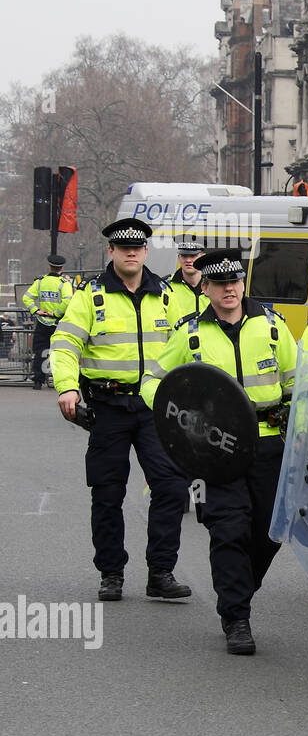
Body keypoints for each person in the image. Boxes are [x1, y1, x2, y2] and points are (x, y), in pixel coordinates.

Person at [141, 250, 296, 655]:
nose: (229, 289)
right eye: (220, 284)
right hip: (214, 451)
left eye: (235, 282)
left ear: (243, 284)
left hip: (267, 443)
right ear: (205, 287)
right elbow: (153, 383)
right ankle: (237, 616)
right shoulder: (189, 334)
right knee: (228, 529)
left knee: (268, 532)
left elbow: (299, 383)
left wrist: (295, 412)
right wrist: (183, 426)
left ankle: (239, 589)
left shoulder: (274, 328)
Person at [51, 219, 191, 603]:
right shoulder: (90, 296)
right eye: (123, 247)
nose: (131, 252)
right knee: (107, 492)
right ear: (111, 251)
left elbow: (192, 346)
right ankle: (111, 573)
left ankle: (160, 572)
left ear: (146, 252)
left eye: (138, 247)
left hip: (155, 408)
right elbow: (64, 343)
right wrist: (66, 386)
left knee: (172, 487)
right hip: (108, 407)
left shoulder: (167, 295)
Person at [22, 254, 74, 390]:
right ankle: (56, 380)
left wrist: (36, 310)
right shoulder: (64, 284)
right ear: (61, 268)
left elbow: (26, 298)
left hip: (42, 322)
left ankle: (38, 380)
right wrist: (56, 313)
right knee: (59, 352)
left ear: (49, 266)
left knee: (40, 352)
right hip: (58, 323)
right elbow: (68, 300)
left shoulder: (40, 282)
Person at [165, 238, 207, 327]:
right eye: (184, 256)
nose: (188, 260)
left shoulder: (214, 285)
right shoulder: (166, 286)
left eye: (193, 256)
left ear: (203, 257)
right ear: (179, 257)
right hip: (178, 340)